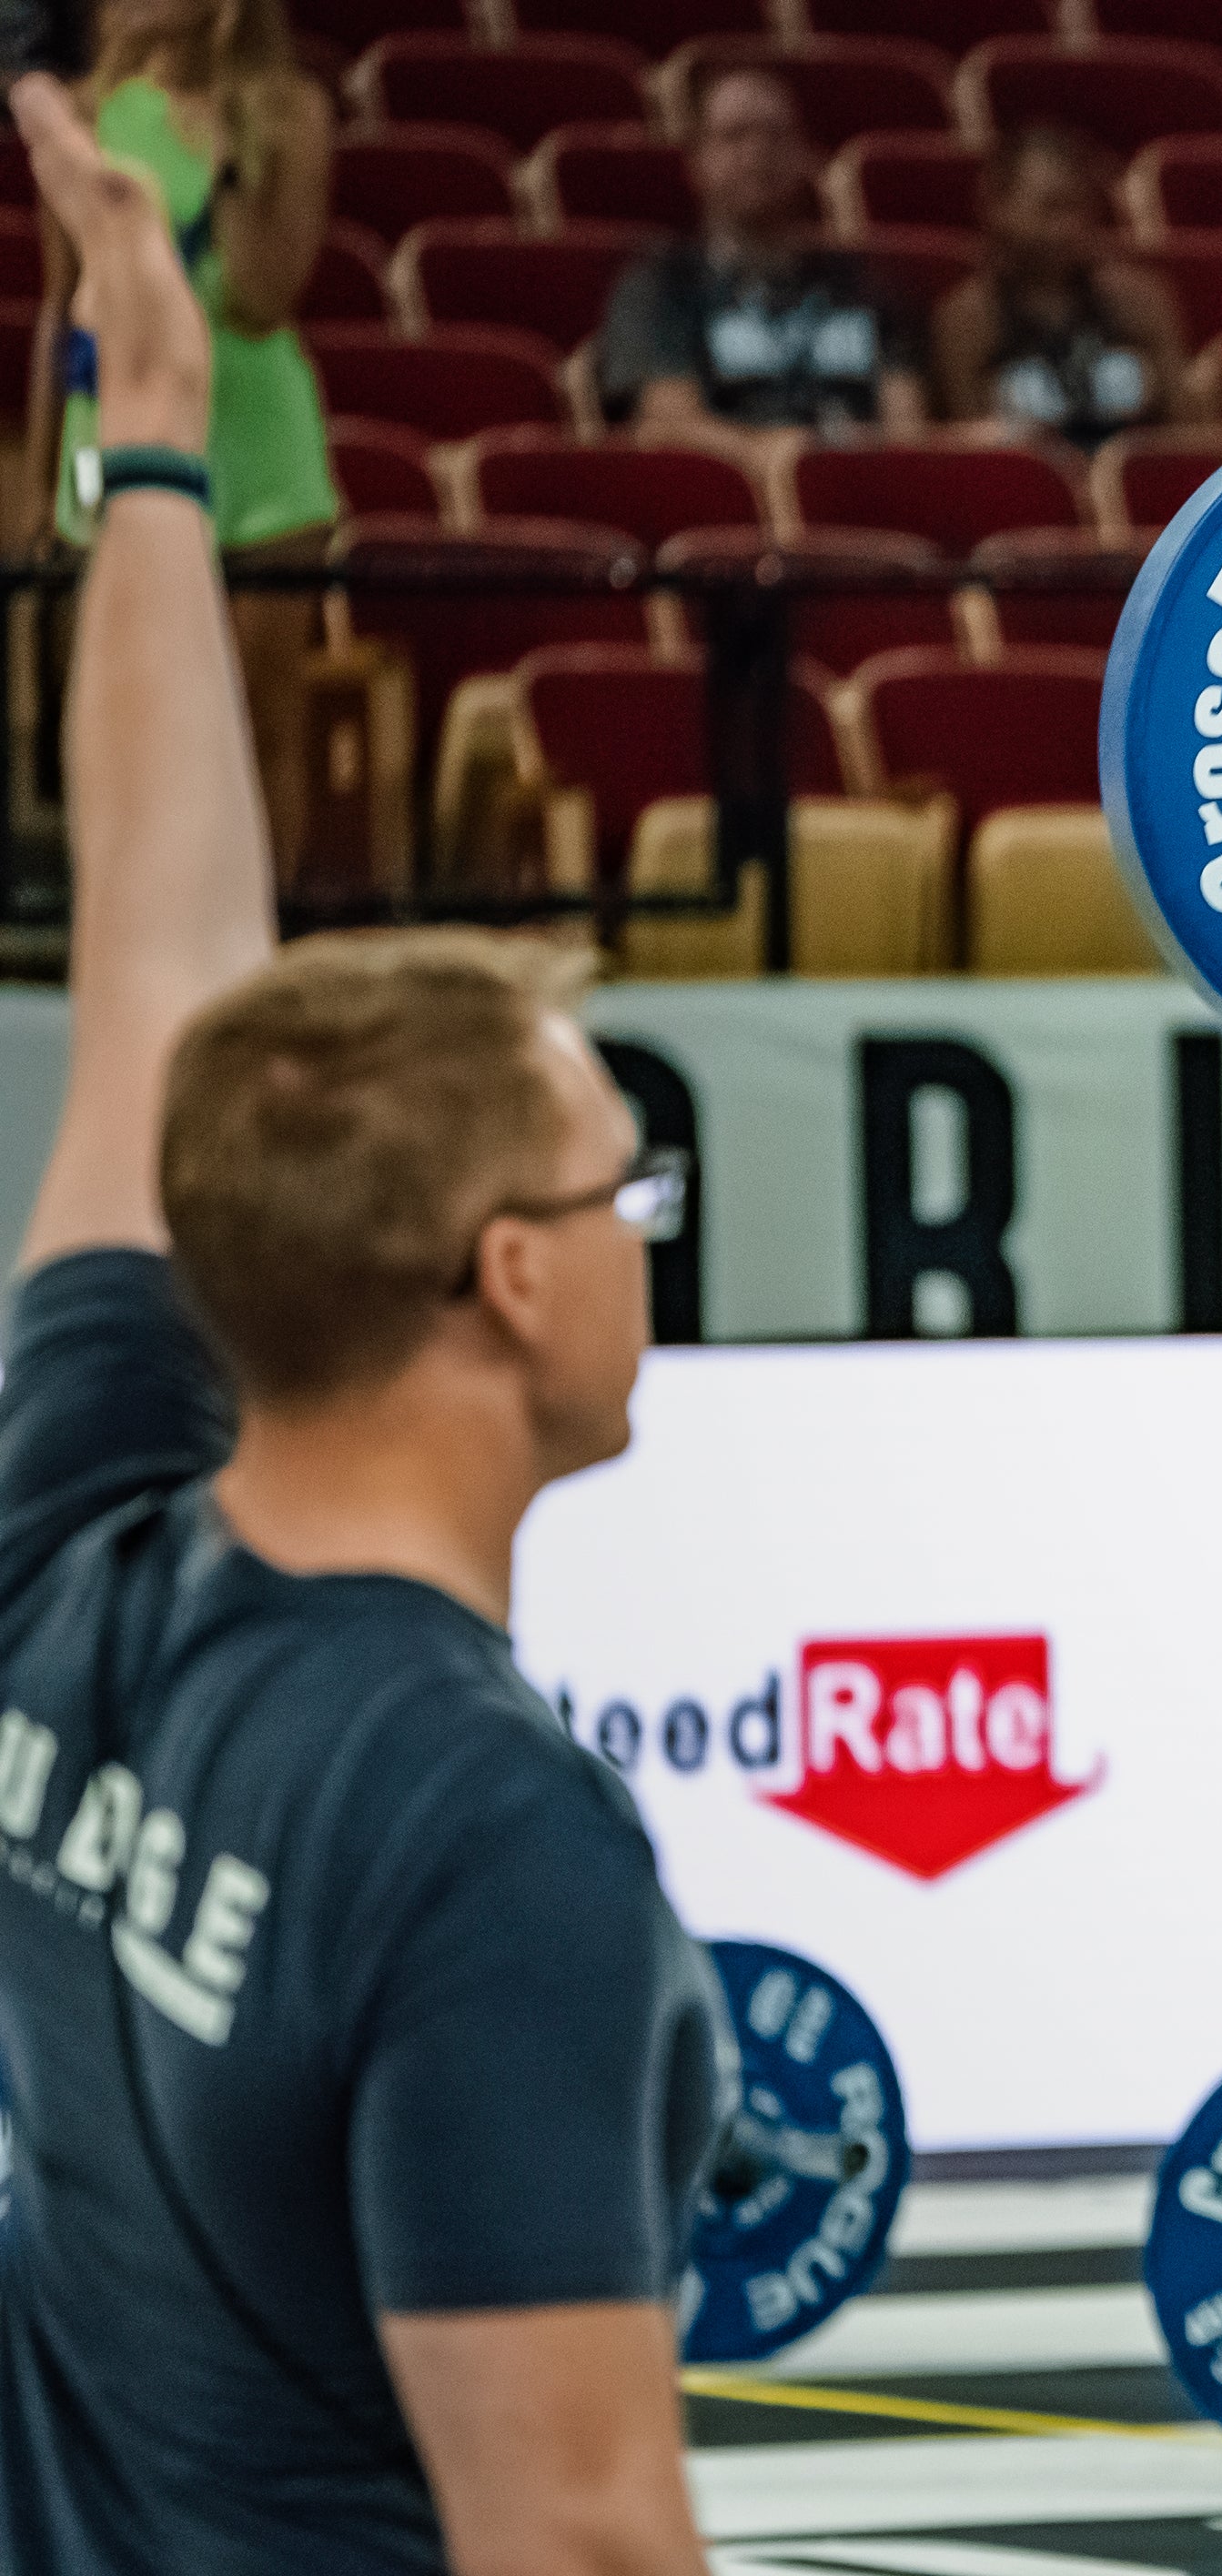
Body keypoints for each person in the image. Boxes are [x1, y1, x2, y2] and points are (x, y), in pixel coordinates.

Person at [0, 71, 719, 2576]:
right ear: (507, 1275)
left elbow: (156, 955)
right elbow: (581, 2537)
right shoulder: (484, 1833)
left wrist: (154, 437)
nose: (642, 1231)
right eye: (621, 1182)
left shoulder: (71, 1534)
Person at [16, 0, 339, 871]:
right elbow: (60, 305)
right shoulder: (88, 113)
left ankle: (258, 933)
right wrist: (41, 484)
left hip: (259, 450)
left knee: (258, 720)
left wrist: (234, 157)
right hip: (109, 436)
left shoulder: (292, 113)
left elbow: (263, 298)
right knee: (120, 717)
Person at [597, 65, 924, 465]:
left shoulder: (864, 284)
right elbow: (668, 425)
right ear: (696, 161)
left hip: (865, 484)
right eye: (734, 135)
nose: (757, 153)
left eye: (776, 135)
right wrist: (788, 455)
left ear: (806, 157)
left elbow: (908, 429)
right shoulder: (660, 283)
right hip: (727, 490)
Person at [930, 126, 1204, 446]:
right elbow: (967, 449)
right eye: (1050, 208)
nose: (1067, 227)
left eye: (1078, 208)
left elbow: (1188, 435)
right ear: (998, 207)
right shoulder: (967, 320)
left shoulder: (1139, 301)